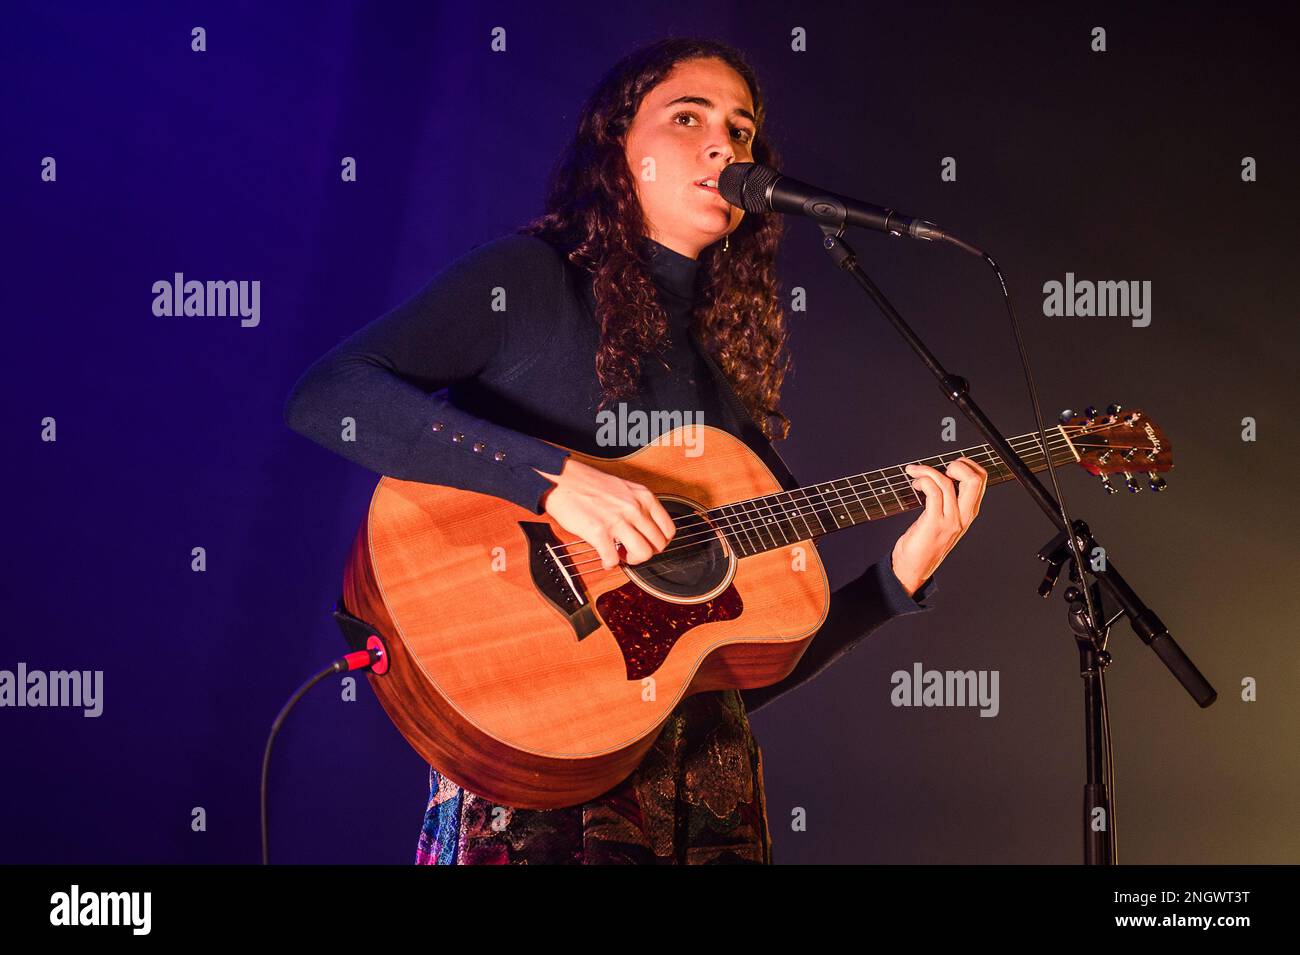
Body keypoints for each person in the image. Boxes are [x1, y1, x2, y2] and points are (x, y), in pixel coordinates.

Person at [283, 37, 987, 864]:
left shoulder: (726, 398)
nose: (725, 145)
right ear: (617, 149)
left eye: (742, 129)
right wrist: (552, 478)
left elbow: (726, 677)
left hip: (705, 810)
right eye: (687, 117)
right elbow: (329, 396)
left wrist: (893, 582)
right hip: (536, 803)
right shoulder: (533, 279)